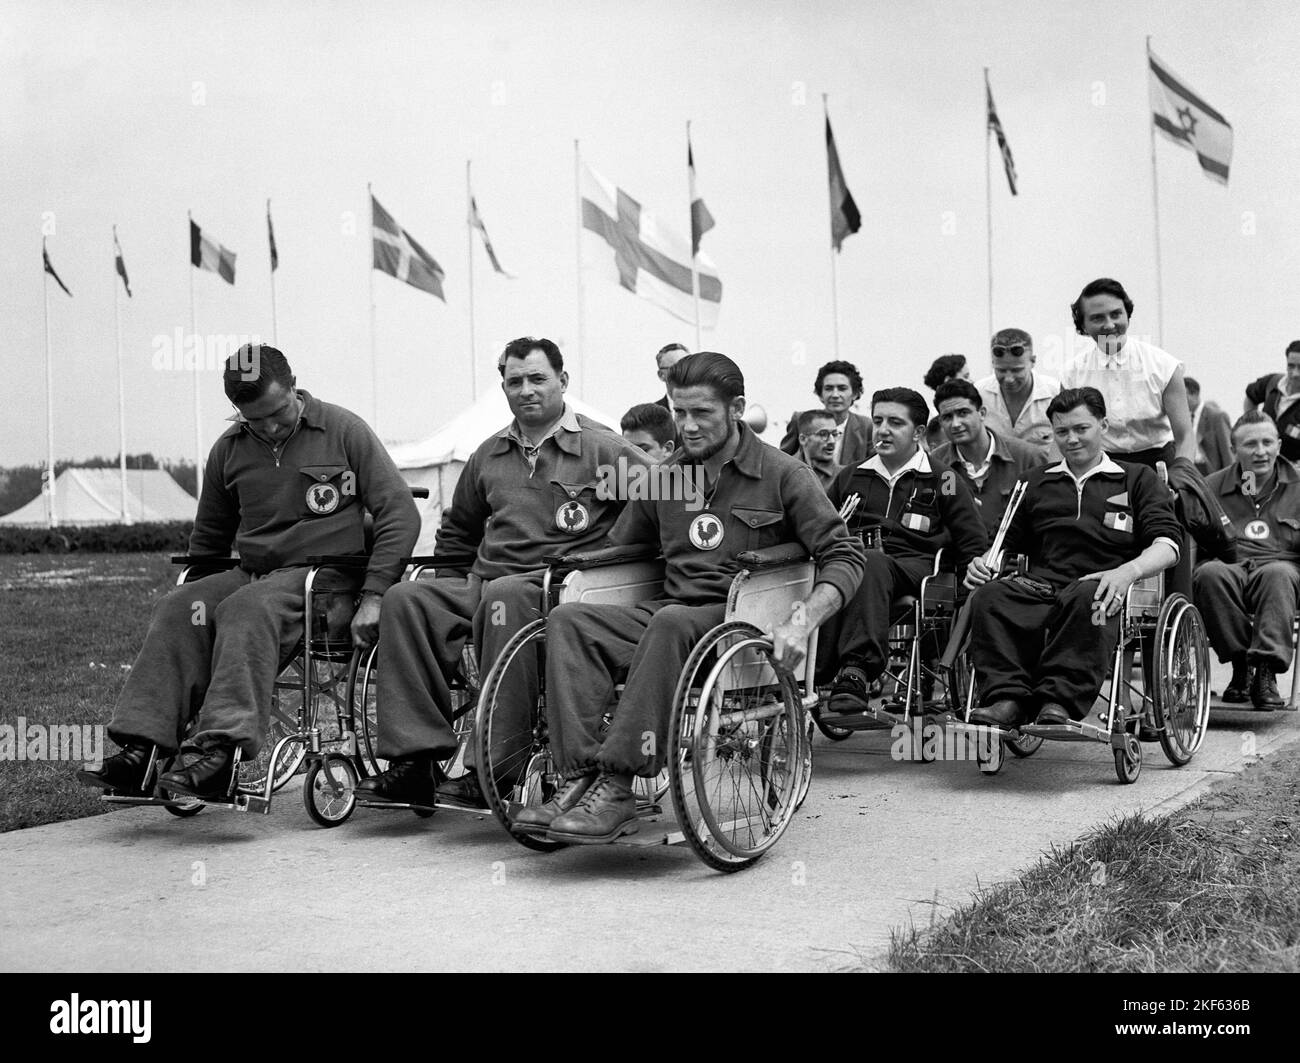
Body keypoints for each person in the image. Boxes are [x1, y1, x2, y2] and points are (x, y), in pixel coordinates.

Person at [512, 352, 865, 842]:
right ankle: (578, 779)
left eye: (702, 413)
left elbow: (844, 556)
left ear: (737, 408)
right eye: (679, 412)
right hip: (669, 619)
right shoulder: (667, 476)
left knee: (673, 620)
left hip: (737, 625)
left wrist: (802, 621)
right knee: (571, 619)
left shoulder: (784, 475)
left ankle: (616, 783)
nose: (688, 426)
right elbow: (621, 551)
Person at [78, 345, 420, 799]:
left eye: (278, 412)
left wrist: (376, 595)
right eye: (255, 419)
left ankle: (219, 755)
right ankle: (142, 749)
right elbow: (210, 539)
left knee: (245, 607)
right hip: (258, 573)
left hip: (328, 581)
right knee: (182, 605)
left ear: (294, 386)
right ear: (237, 411)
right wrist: (200, 607)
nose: (271, 426)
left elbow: (400, 512)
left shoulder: (343, 430)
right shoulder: (229, 449)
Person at [355, 337, 649, 810]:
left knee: (505, 598)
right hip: (486, 581)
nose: (527, 390)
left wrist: (613, 560)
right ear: (504, 388)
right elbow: (459, 530)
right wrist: (445, 583)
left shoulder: (603, 450)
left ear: (563, 382)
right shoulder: (489, 455)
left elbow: (665, 505)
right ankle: (416, 761)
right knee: (406, 600)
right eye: (515, 381)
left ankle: (497, 770)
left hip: (563, 588)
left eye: (538, 379)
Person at [964, 387, 1183, 728]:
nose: (1072, 439)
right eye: (1062, 432)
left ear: (1103, 426)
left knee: (1088, 596)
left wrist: (1128, 572)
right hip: (1043, 585)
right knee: (990, 597)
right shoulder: (1034, 482)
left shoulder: (1137, 478)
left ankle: (1057, 700)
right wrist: (982, 562)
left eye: (1082, 429)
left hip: (1104, 583)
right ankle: (1007, 699)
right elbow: (1001, 543)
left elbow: (1168, 545)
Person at [821, 387, 988, 712]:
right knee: (829, 569)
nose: (882, 430)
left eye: (895, 422)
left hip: (917, 570)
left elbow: (972, 542)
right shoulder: (851, 476)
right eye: (878, 420)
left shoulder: (945, 479)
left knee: (868, 562)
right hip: (856, 567)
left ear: (919, 432)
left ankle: (857, 669)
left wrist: (971, 591)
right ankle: (817, 671)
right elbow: (821, 528)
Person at [1192, 411, 1300, 710]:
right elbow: (1197, 545)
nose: (1261, 451)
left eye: (1267, 442)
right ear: (1233, 447)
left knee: (1277, 573)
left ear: (1279, 445)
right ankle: (1242, 665)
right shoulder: (1211, 487)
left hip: (1283, 569)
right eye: (1250, 444)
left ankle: (1265, 671)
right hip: (1230, 566)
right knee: (1209, 573)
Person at [1060, 277, 1194, 469]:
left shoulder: (1164, 366)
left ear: (1127, 315)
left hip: (1160, 464)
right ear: (1083, 325)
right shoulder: (1072, 374)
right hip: (1101, 468)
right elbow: (1065, 435)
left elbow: (1185, 436)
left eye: (1116, 314)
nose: (1109, 325)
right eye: (1098, 318)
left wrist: (1182, 476)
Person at [929, 378, 1047, 535]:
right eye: (947, 417)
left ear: (982, 413)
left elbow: (1046, 517)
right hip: (958, 556)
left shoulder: (1028, 457)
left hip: (1013, 555)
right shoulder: (933, 464)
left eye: (963, 413)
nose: (956, 424)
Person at [974, 328, 1060, 458]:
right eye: (1001, 370)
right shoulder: (978, 393)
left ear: (1033, 361)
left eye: (1017, 370)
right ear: (993, 363)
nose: (1009, 378)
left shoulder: (1055, 392)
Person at [779, 359, 874, 465]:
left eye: (842, 389)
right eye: (828, 389)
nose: (835, 395)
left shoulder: (866, 426)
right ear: (820, 394)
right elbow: (782, 461)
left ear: (855, 393)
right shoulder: (801, 420)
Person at [1243, 340, 1300, 463]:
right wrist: (1251, 424)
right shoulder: (1273, 382)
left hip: (1293, 473)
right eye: (1291, 366)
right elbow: (1250, 397)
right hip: (1260, 464)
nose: (1295, 373)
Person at [1185, 376, 1233, 475]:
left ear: (1194, 394)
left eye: (1182, 396)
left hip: (1212, 474)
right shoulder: (1186, 418)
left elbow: (1228, 453)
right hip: (1194, 473)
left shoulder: (1216, 416)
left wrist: (1230, 481)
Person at [796, 408, 841, 492]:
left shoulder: (844, 477)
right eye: (823, 434)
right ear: (803, 439)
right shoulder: (786, 472)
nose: (832, 441)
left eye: (834, 434)